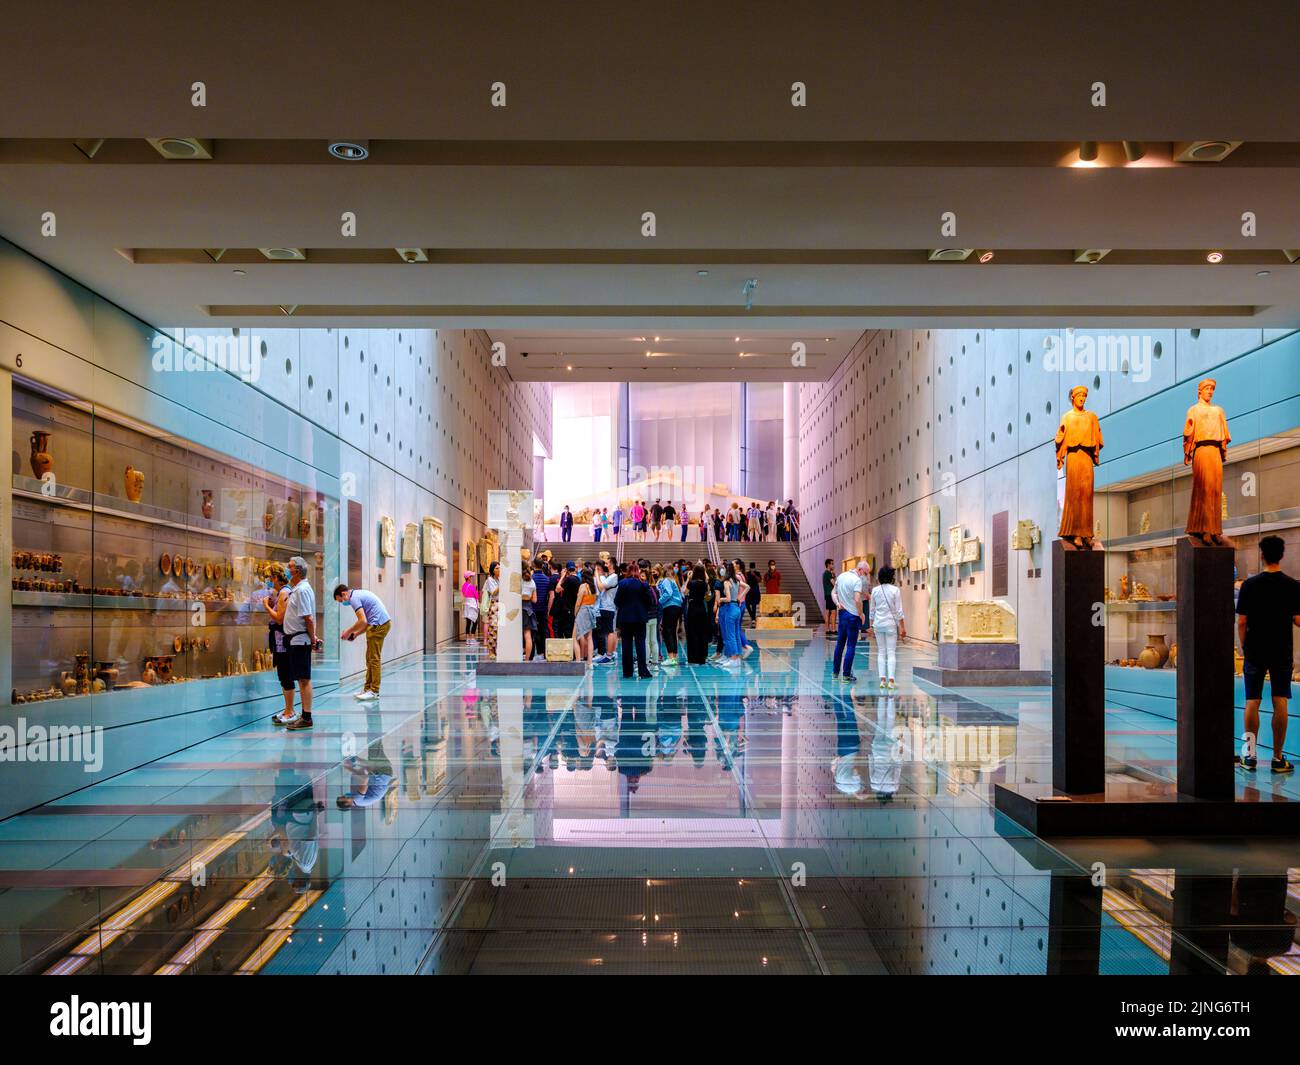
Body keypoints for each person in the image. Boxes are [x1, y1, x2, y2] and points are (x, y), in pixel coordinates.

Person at [1235, 535, 1299, 773]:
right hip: (1281, 649)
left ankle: (1249, 756)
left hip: (1255, 649)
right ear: (1282, 555)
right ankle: (1278, 758)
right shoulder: (1293, 586)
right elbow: (1299, 620)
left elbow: (1242, 622)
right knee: (1279, 699)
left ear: (1261, 555)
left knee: (1253, 700)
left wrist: (1245, 646)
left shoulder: (1249, 586)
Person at [267, 556, 321, 730]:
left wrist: (313, 638)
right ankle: (304, 715)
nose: (287, 570)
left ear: (297, 570)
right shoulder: (298, 590)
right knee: (301, 679)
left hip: (300, 639)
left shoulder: (302, 590)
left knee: (304, 679)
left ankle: (306, 717)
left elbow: (309, 618)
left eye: (289, 567)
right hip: (295, 639)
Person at [333, 583, 392, 701]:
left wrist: (348, 632)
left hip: (378, 625)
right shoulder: (357, 594)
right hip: (378, 624)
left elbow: (362, 621)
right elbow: (366, 622)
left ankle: (374, 691)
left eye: (340, 601)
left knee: (374, 659)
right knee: (370, 659)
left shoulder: (354, 598)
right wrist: (355, 634)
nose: (342, 603)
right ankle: (368, 689)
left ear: (344, 594)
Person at [831, 560, 871, 683]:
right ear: (860, 569)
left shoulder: (841, 576)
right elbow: (858, 599)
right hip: (853, 616)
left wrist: (838, 604)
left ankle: (835, 673)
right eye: (865, 573)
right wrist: (861, 613)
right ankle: (846, 674)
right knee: (851, 645)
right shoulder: (857, 580)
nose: (865, 576)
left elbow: (833, 592)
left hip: (842, 614)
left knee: (839, 644)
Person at [264, 564, 294, 725]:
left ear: (275, 577)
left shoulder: (284, 592)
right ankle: (288, 709)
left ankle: (290, 710)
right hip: (280, 640)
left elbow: (279, 618)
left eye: (270, 578)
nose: (269, 581)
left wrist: (267, 606)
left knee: (285, 675)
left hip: (282, 641)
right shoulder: (283, 592)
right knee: (284, 675)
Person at [614, 562, 655, 679]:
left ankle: (627, 672)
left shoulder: (622, 583)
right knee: (640, 644)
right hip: (640, 619)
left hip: (625, 618)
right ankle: (643, 671)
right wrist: (642, 609)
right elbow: (650, 602)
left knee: (626, 645)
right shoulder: (643, 585)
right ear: (637, 572)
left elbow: (616, 601)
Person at [868, 566, 906, 689]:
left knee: (881, 652)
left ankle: (882, 680)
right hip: (890, 624)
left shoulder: (875, 591)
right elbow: (899, 611)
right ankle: (891, 681)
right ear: (891, 577)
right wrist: (902, 628)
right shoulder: (895, 590)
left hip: (878, 624)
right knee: (891, 652)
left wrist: (871, 626)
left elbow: (872, 610)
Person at [684, 564, 713, 665]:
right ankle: (702, 657)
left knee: (692, 633)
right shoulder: (705, 584)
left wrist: (688, 578)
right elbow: (707, 594)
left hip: (692, 608)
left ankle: (693, 657)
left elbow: (685, 592)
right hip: (701, 608)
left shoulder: (691, 583)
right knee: (702, 633)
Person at [657, 565, 684, 666]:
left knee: (667, 631)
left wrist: (658, 601)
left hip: (670, 607)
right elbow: (681, 596)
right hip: (677, 607)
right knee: (672, 632)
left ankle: (671, 657)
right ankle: (674, 657)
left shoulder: (666, 580)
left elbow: (668, 593)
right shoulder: (674, 580)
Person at [593, 559, 619, 664]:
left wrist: (597, 575)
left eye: (607, 563)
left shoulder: (614, 577)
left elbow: (600, 587)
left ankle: (609, 655)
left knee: (609, 632)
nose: (605, 565)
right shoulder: (610, 576)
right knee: (609, 632)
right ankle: (610, 654)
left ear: (611, 565)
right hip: (606, 607)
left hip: (608, 607)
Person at [572, 566, 598, 662]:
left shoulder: (583, 586)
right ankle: (590, 662)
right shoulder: (593, 587)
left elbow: (578, 602)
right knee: (589, 637)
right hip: (591, 611)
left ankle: (578, 661)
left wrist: (575, 613)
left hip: (583, 611)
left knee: (574, 637)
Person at [554, 560, 580, 639]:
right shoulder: (578, 579)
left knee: (567, 632)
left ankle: (570, 650)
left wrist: (562, 576)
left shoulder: (570, 579)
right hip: (574, 608)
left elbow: (557, 589)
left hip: (568, 609)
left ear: (567, 570)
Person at [645, 563, 662, 668]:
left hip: (646, 617)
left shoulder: (646, 588)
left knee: (646, 641)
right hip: (654, 617)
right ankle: (655, 662)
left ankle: (646, 662)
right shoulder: (655, 588)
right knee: (654, 640)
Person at [483, 561, 501, 658]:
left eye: (500, 568)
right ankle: (491, 651)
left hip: (502, 605)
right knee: (493, 628)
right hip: (494, 605)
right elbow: (493, 592)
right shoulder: (490, 579)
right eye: (497, 568)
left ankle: (498, 649)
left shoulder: (500, 579)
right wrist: (502, 584)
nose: (499, 570)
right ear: (492, 570)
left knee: (500, 629)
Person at [521, 563, 537, 660]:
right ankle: (527, 659)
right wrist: (528, 596)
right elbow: (535, 600)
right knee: (528, 635)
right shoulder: (532, 582)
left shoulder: (517, 580)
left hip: (517, 609)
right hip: (528, 609)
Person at [461, 570, 480, 638]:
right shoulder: (472, 587)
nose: (472, 578)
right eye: (471, 576)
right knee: (475, 621)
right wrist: (478, 593)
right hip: (472, 604)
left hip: (467, 604)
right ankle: (472, 637)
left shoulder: (463, 586)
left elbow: (464, 594)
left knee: (468, 622)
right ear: (468, 577)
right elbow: (476, 596)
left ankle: (467, 638)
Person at [821, 558, 837, 636]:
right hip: (830, 595)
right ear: (828, 564)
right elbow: (834, 583)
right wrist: (834, 577)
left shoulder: (825, 573)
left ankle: (827, 629)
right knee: (833, 612)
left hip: (827, 595)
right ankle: (833, 630)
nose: (833, 565)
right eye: (832, 564)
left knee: (827, 612)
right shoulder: (828, 573)